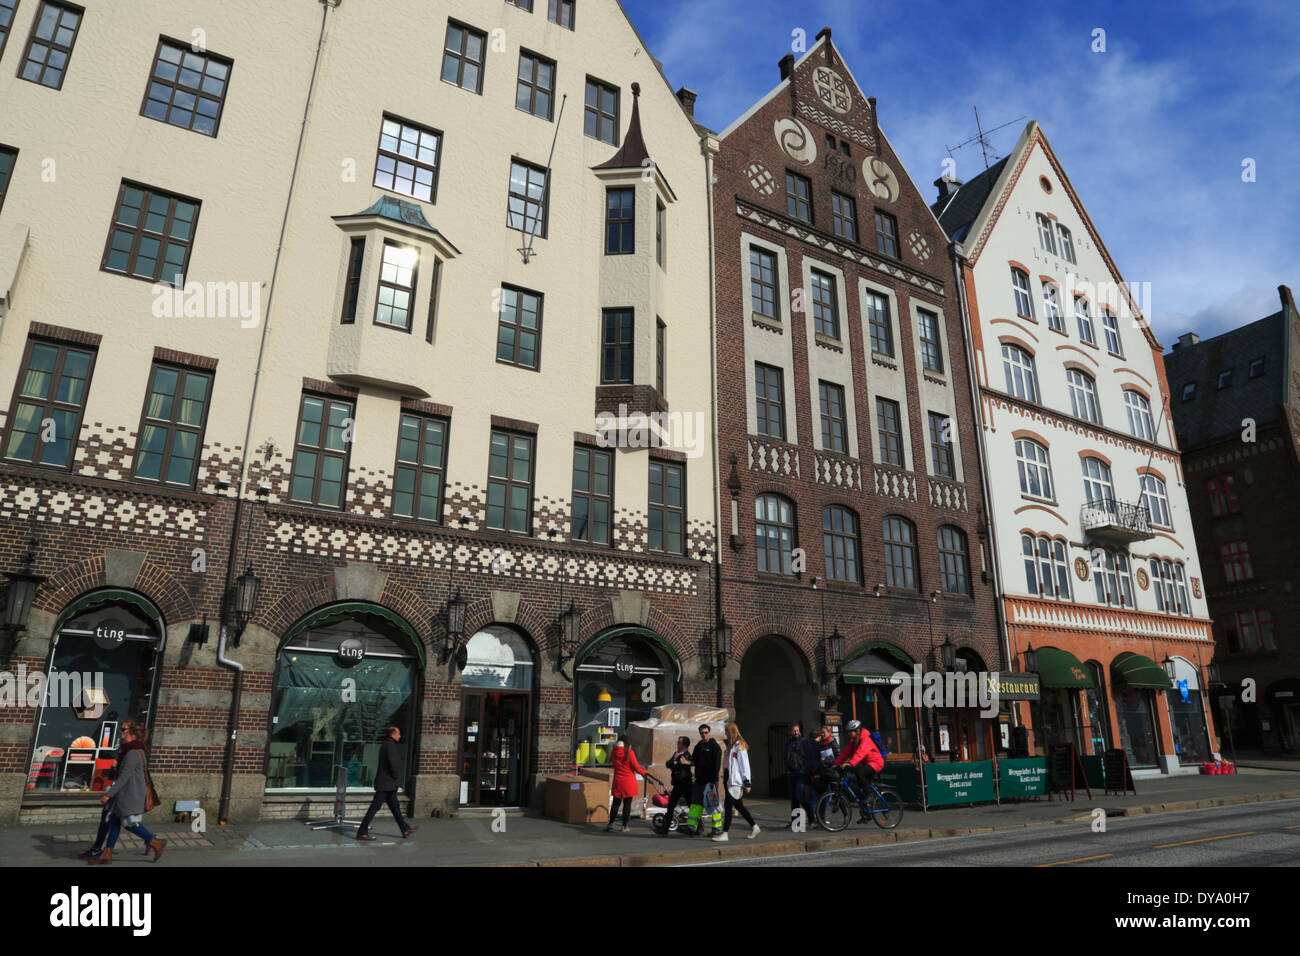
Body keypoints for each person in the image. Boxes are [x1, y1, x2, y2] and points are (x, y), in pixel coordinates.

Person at [88, 719, 165, 864]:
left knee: (129, 824)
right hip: (126, 793)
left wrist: (108, 794)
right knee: (115, 822)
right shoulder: (129, 751)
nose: (121, 732)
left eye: (123, 730)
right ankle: (107, 853)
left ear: (132, 733)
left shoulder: (133, 753)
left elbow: (123, 778)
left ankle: (155, 842)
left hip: (131, 794)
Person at [356, 726, 418, 841]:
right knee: (374, 808)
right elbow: (393, 764)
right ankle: (362, 832)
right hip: (386, 784)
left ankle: (405, 829)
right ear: (393, 734)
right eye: (398, 733)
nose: (400, 736)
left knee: (395, 808)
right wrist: (396, 777)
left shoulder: (387, 744)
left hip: (387, 784)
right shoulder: (390, 745)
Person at [713, 722, 760, 842]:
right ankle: (754, 826)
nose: (725, 733)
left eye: (727, 731)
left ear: (732, 732)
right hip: (729, 779)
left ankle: (725, 833)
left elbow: (745, 765)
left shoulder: (740, 745)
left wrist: (747, 781)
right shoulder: (731, 745)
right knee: (739, 806)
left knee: (728, 806)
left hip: (736, 781)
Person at [833, 719, 884, 817]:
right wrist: (836, 764)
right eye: (848, 732)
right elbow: (845, 753)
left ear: (858, 731)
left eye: (850, 731)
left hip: (876, 762)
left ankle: (869, 795)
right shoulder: (853, 741)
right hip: (867, 763)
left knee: (859, 773)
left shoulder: (866, 739)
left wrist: (850, 763)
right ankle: (866, 815)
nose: (849, 734)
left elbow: (860, 753)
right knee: (860, 789)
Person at [607, 735, 647, 832]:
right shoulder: (629, 752)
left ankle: (610, 824)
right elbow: (636, 767)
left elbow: (612, 762)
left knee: (615, 803)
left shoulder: (613, 752)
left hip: (617, 781)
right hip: (628, 781)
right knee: (627, 804)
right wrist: (645, 773)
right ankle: (624, 826)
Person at [688, 723, 723, 836]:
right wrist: (686, 762)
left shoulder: (715, 747)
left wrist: (713, 781)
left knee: (713, 804)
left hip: (710, 781)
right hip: (699, 780)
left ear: (709, 732)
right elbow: (694, 760)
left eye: (706, 732)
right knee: (696, 804)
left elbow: (716, 766)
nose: (704, 735)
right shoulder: (698, 746)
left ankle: (717, 829)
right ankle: (692, 828)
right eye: (702, 733)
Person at [784, 722, 818, 827]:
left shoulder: (805, 742)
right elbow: (786, 757)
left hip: (801, 773)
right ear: (790, 732)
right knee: (794, 798)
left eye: (797, 730)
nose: (796, 732)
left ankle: (811, 817)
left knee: (800, 796)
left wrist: (804, 769)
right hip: (791, 772)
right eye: (794, 731)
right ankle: (796, 821)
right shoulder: (788, 743)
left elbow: (809, 757)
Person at [660, 735, 693, 836]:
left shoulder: (686, 755)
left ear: (684, 745)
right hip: (677, 784)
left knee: (691, 805)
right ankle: (665, 829)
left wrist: (674, 764)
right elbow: (667, 763)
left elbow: (678, 765)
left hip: (685, 784)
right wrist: (673, 763)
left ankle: (695, 827)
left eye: (679, 742)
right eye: (678, 742)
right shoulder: (676, 753)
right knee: (671, 805)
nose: (677, 744)